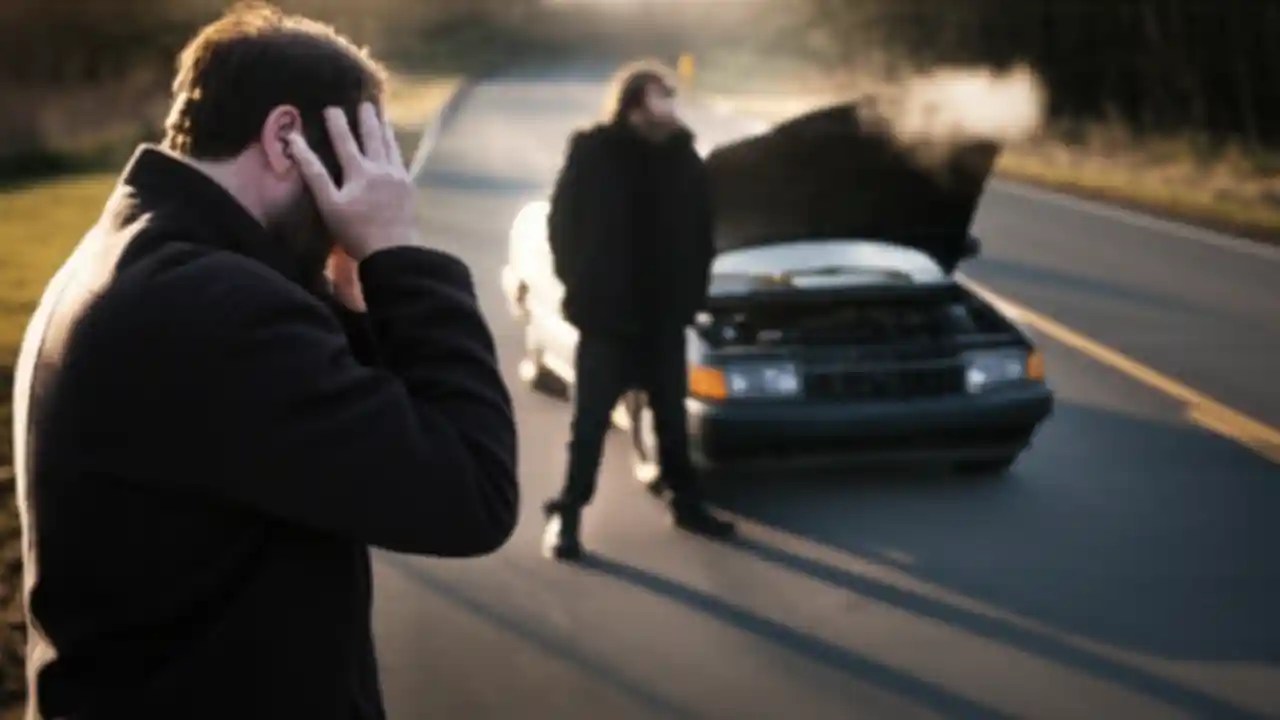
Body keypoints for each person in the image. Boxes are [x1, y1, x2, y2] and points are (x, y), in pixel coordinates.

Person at [12, 5, 517, 718]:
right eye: (359, 155)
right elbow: (471, 493)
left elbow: (330, 432)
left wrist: (353, 294)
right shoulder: (214, 307)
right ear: (285, 138)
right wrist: (399, 255)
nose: (368, 185)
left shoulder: (133, 257)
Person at [541, 62, 735, 561]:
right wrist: (580, 284)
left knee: (671, 419)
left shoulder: (683, 157)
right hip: (607, 316)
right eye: (660, 96)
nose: (670, 104)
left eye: (672, 95)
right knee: (589, 427)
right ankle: (568, 517)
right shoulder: (594, 151)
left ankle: (687, 506)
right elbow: (562, 223)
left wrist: (692, 295)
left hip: (664, 316)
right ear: (633, 103)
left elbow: (702, 233)